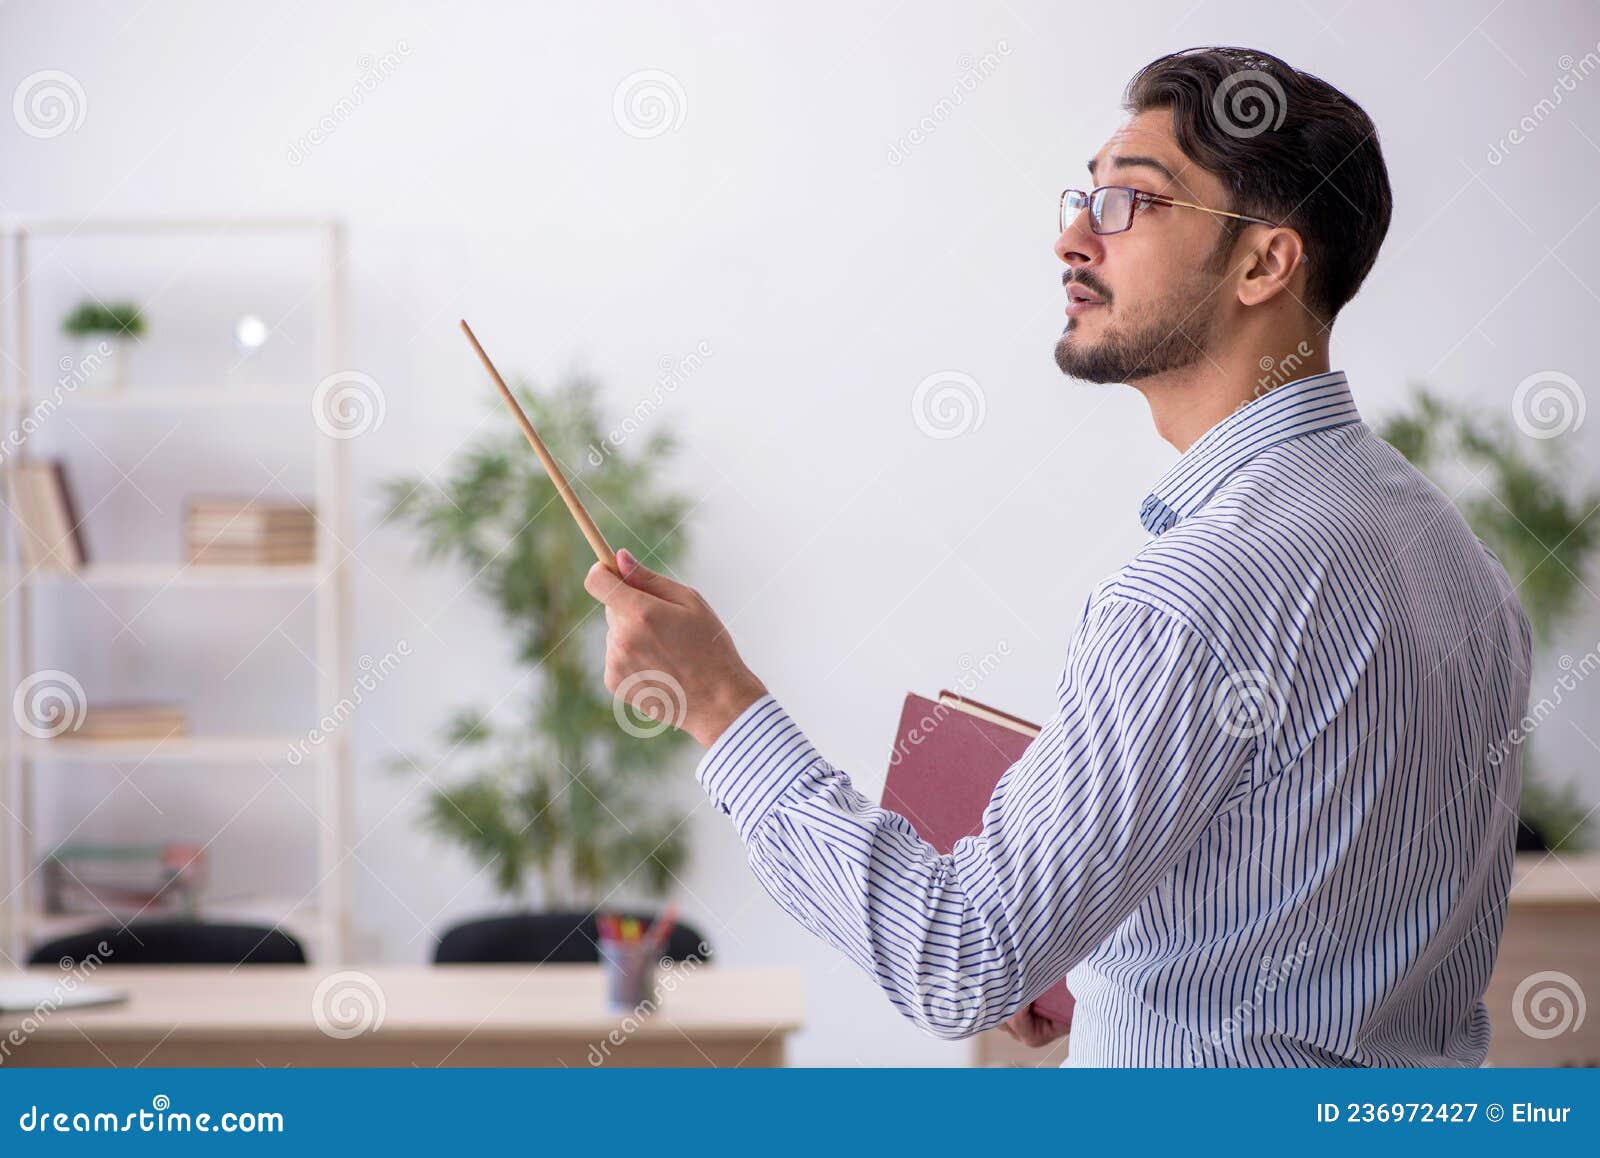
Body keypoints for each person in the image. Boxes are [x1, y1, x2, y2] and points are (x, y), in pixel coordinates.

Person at [584, 46, 1533, 1066]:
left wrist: (720, 705)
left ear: (1264, 264)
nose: (1071, 237)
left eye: (1131, 203)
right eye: (1084, 197)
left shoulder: (1194, 594)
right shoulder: (1454, 560)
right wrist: (1115, 958)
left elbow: (956, 961)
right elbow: (1321, 921)